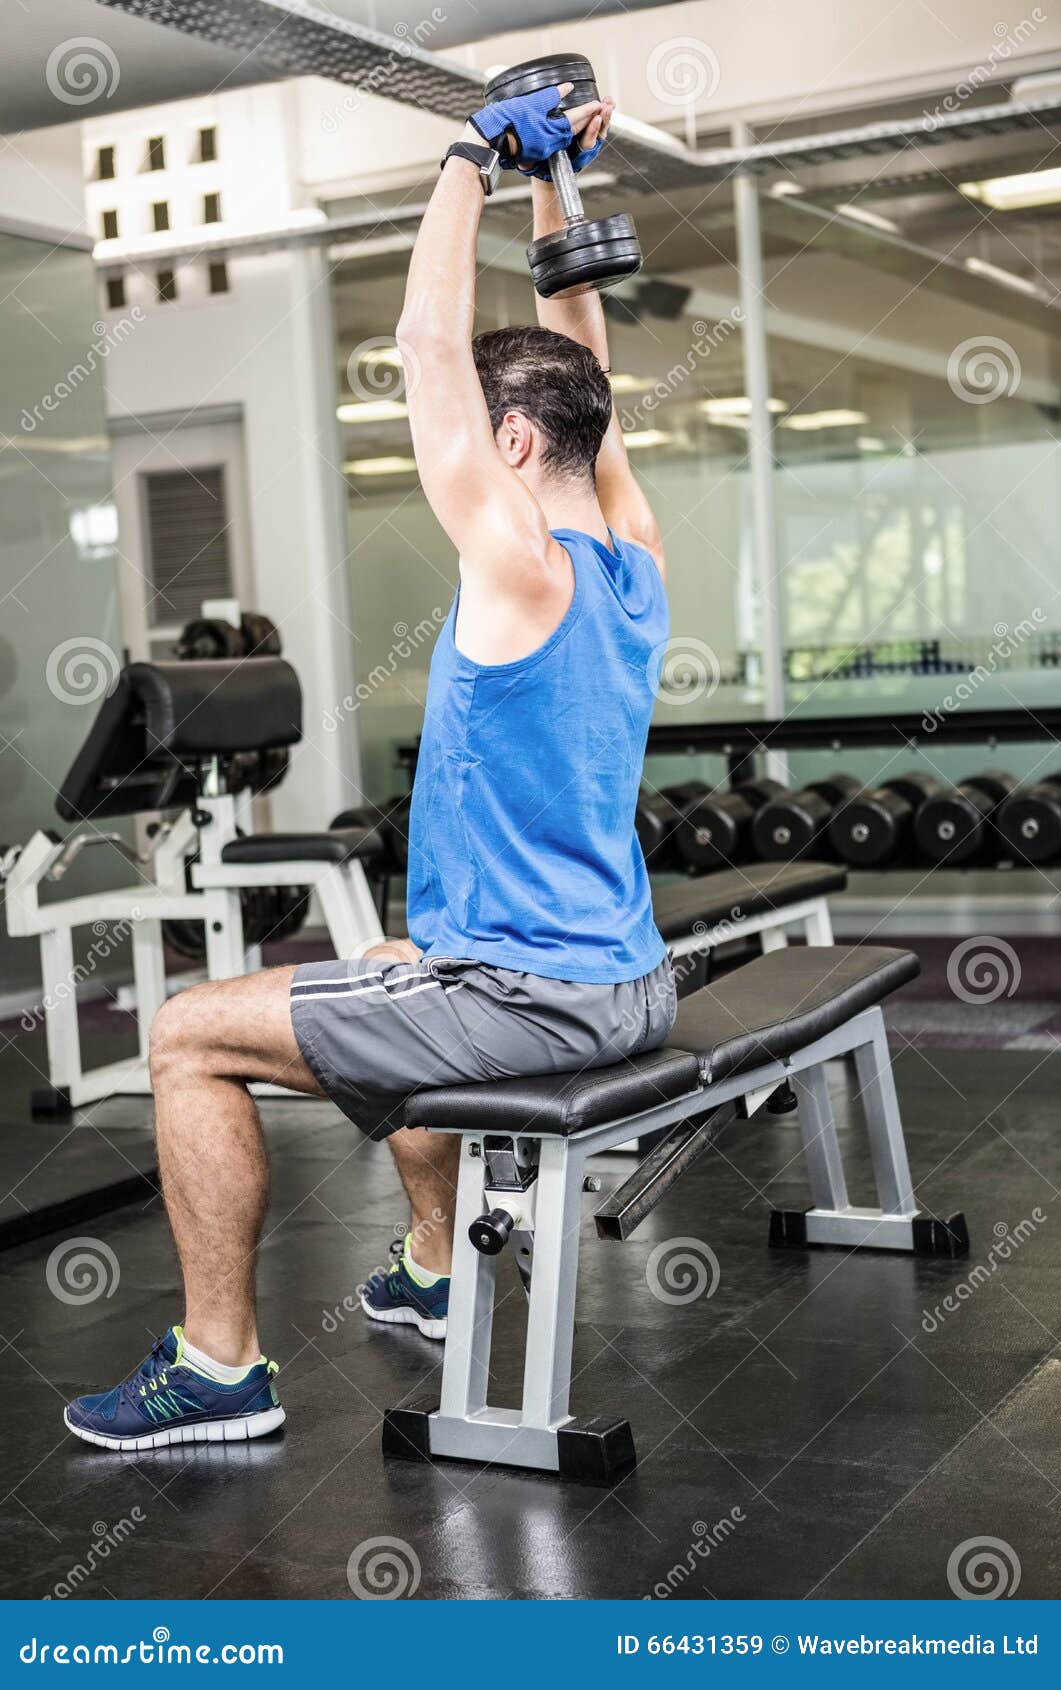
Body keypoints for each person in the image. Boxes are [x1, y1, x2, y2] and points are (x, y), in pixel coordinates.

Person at [64, 79, 673, 1451]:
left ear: (513, 443)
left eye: (484, 426)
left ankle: (219, 1367)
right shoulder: (632, 551)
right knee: (397, 957)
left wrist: (469, 151)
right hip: (619, 979)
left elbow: (420, 340)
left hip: (535, 1001)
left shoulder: (518, 565)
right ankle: (434, 1267)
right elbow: (594, 383)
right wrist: (553, 183)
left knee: (181, 1036)